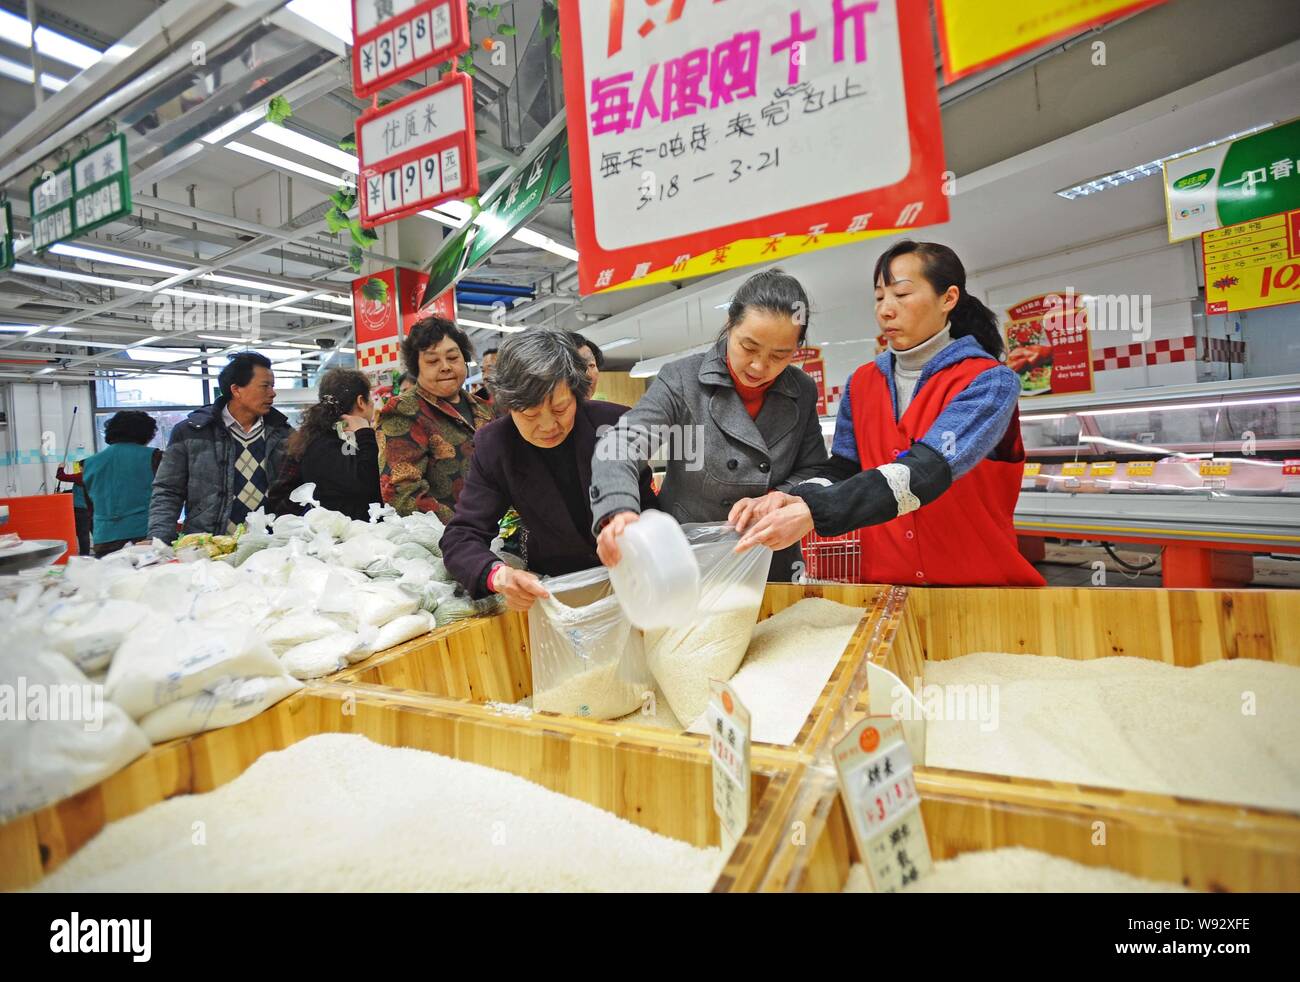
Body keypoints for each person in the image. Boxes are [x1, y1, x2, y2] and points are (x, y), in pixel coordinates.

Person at [731, 240, 1045, 587]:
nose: (885, 310)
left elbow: (929, 469)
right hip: (886, 585)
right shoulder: (863, 382)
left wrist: (815, 512)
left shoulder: (989, 382)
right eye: (879, 297)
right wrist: (798, 496)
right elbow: (844, 469)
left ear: (948, 298)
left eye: (902, 294)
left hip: (979, 589)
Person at [592, 268, 827, 580]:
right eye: (749, 347)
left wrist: (781, 496)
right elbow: (619, 446)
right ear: (730, 325)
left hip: (770, 557)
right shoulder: (682, 380)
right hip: (691, 562)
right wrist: (618, 510)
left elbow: (813, 469)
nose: (759, 366)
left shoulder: (801, 390)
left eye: (780, 356)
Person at [442, 331, 656, 611]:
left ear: (578, 394)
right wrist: (498, 575)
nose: (547, 426)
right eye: (529, 414)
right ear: (507, 406)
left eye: (560, 408)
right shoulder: (495, 446)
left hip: (639, 574)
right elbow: (461, 536)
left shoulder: (615, 424)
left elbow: (651, 506)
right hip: (560, 585)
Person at [147, 351, 293, 541]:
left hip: (268, 547)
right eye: (265, 386)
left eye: (272, 386)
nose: (272, 393)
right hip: (209, 547)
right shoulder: (191, 433)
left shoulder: (283, 434)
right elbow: (168, 491)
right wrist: (159, 539)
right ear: (236, 390)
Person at [377, 316, 494, 520]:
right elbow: (402, 495)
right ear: (417, 368)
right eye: (432, 361)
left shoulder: (484, 408)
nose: (445, 366)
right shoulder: (404, 410)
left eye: (453, 357)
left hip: (499, 529)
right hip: (449, 540)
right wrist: (467, 528)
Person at [267, 369, 379, 520]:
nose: (373, 404)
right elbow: (368, 484)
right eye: (370, 399)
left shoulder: (310, 438)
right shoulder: (331, 443)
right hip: (347, 537)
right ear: (361, 402)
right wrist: (365, 434)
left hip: (328, 534)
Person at [76, 411, 163, 557]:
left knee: (113, 579)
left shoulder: (88, 463)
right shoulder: (155, 457)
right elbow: (167, 498)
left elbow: (90, 507)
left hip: (104, 538)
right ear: (146, 432)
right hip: (144, 537)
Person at [54, 459, 91, 556]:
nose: (79, 469)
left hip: (80, 510)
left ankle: (84, 556)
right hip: (91, 510)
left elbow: (61, 476)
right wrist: (63, 493)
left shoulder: (81, 476)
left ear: (82, 467)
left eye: (80, 467)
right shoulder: (93, 476)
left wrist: (60, 468)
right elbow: (79, 491)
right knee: (91, 532)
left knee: (82, 534)